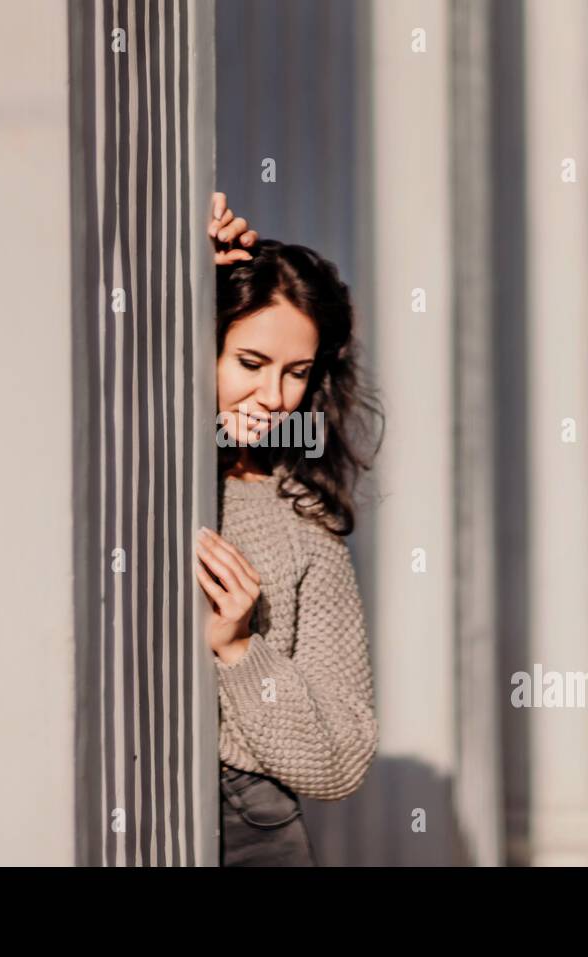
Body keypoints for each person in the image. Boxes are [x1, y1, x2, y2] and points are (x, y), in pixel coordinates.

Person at [196, 193, 385, 866]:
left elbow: (344, 756)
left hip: (251, 827)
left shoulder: (302, 520)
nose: (275, 397)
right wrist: (187, 262)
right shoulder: (144, 463)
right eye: (251, 363)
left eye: (297, 374)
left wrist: (241, 649)